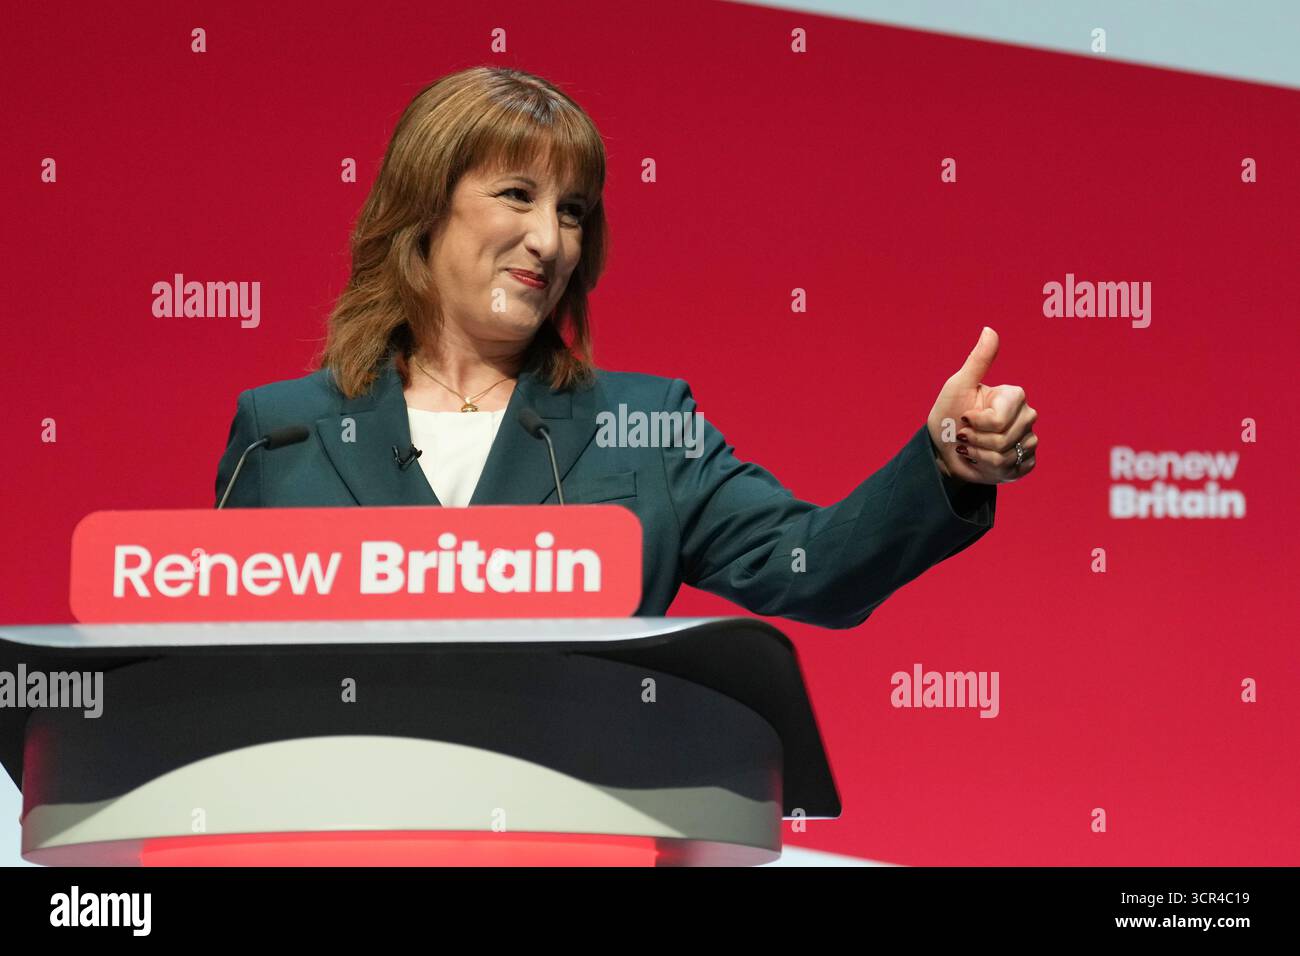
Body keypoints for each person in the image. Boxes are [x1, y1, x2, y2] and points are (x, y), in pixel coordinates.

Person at [214, 66, 1038, 629]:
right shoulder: (281, 435)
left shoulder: (643, 427)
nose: (548, 240)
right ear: (423, 209)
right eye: (516, 196)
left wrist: (947, 463)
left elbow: (813, 568)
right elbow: (213, 679)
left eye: (572, 211)